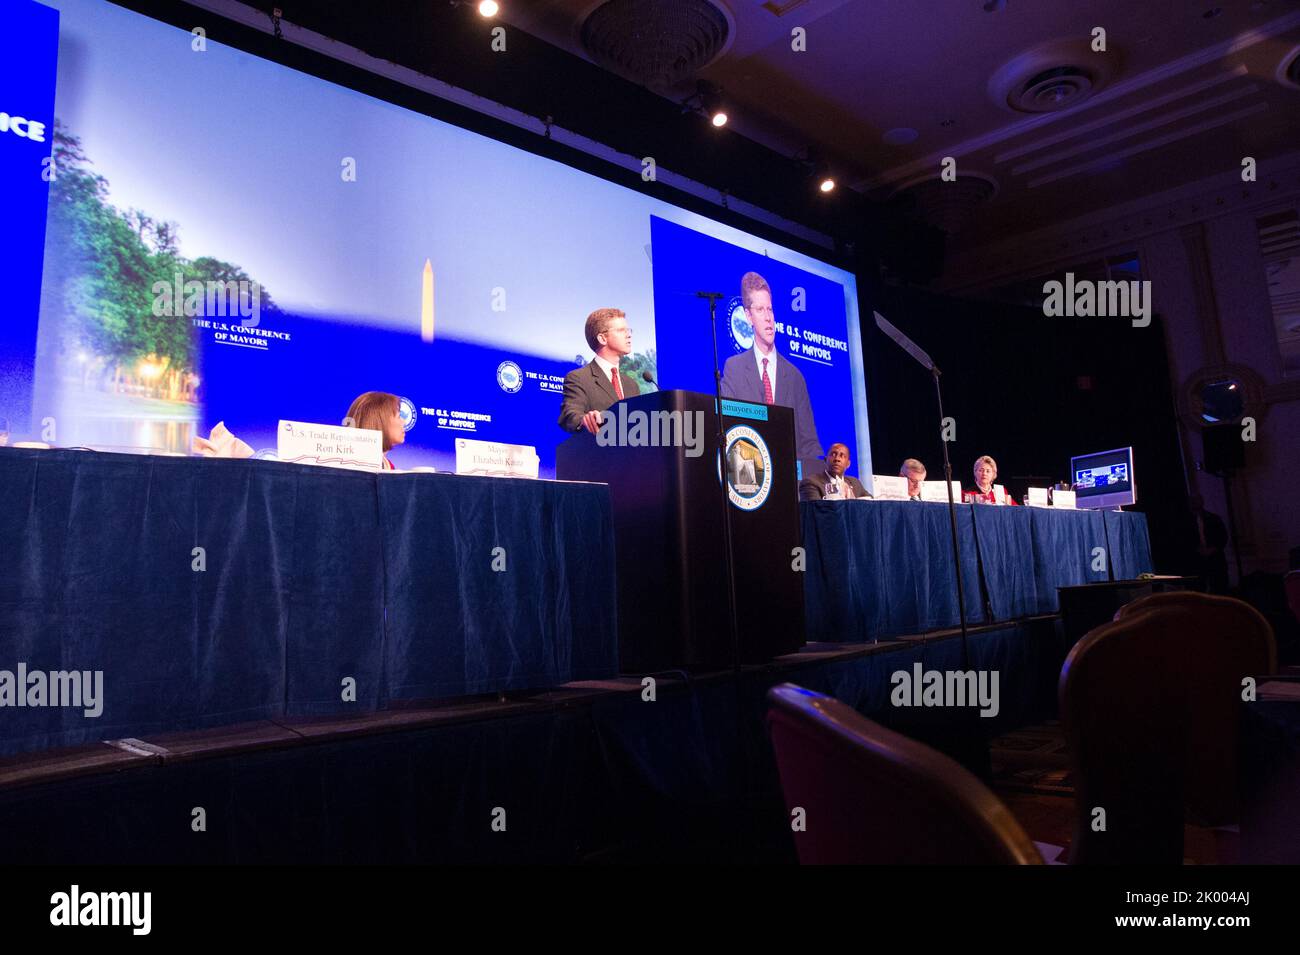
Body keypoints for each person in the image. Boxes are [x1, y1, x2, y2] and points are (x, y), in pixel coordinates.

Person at [720, 271, 822, 468]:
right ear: (748, 316)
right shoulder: (734, 368)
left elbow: (810, 443)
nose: (768, 318)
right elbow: (726, 427)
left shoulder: (794, 376)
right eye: (760, 310)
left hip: (790, 478)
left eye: (770, 309)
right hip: (749, 476)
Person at [558, 308, 640, 434]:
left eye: (628, 330)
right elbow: (570, 414)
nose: (629, 335)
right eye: (621, 330)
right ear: (602, 338)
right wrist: (585, 420)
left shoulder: (631, 385)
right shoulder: (579, 378)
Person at [345, 391, 405, 469]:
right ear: (381, 421)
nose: (404, 422)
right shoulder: (350, 467)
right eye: (399, 416)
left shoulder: (389, 466)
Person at [1188, 493, 1230, 594]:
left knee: (1219, 585)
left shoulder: (1213, 518)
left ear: (1202, 501)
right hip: (1196, 559)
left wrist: (1213, 548)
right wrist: (1196, 549)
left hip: (1215, 557)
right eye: (1192, 500)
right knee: (1199, 587)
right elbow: (1184, 539)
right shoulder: (1186, 521)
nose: (1195, 502)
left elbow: (1223, 537)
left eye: (1197, 500)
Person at [800, 442, 870, 501]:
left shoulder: (855, 483)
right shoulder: (811, 483)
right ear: (825, 460)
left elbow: (870, 502)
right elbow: (815, 512)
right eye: (833, 454)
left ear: (848, 464)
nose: (837, 459)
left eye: (842, 456)